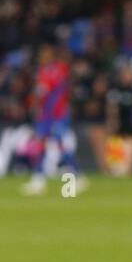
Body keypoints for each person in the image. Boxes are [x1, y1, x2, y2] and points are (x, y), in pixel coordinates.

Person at [22, 44, 85, 194]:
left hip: (57, 115)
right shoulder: (43, 72)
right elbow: (41, 94)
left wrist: (59, 110)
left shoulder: (59, 69)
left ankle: (79, 175)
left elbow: (58, 92)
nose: (42, 58)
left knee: (61, 145)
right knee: (41, 146)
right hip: (45, 115)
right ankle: (38, 180)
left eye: (45, 55)